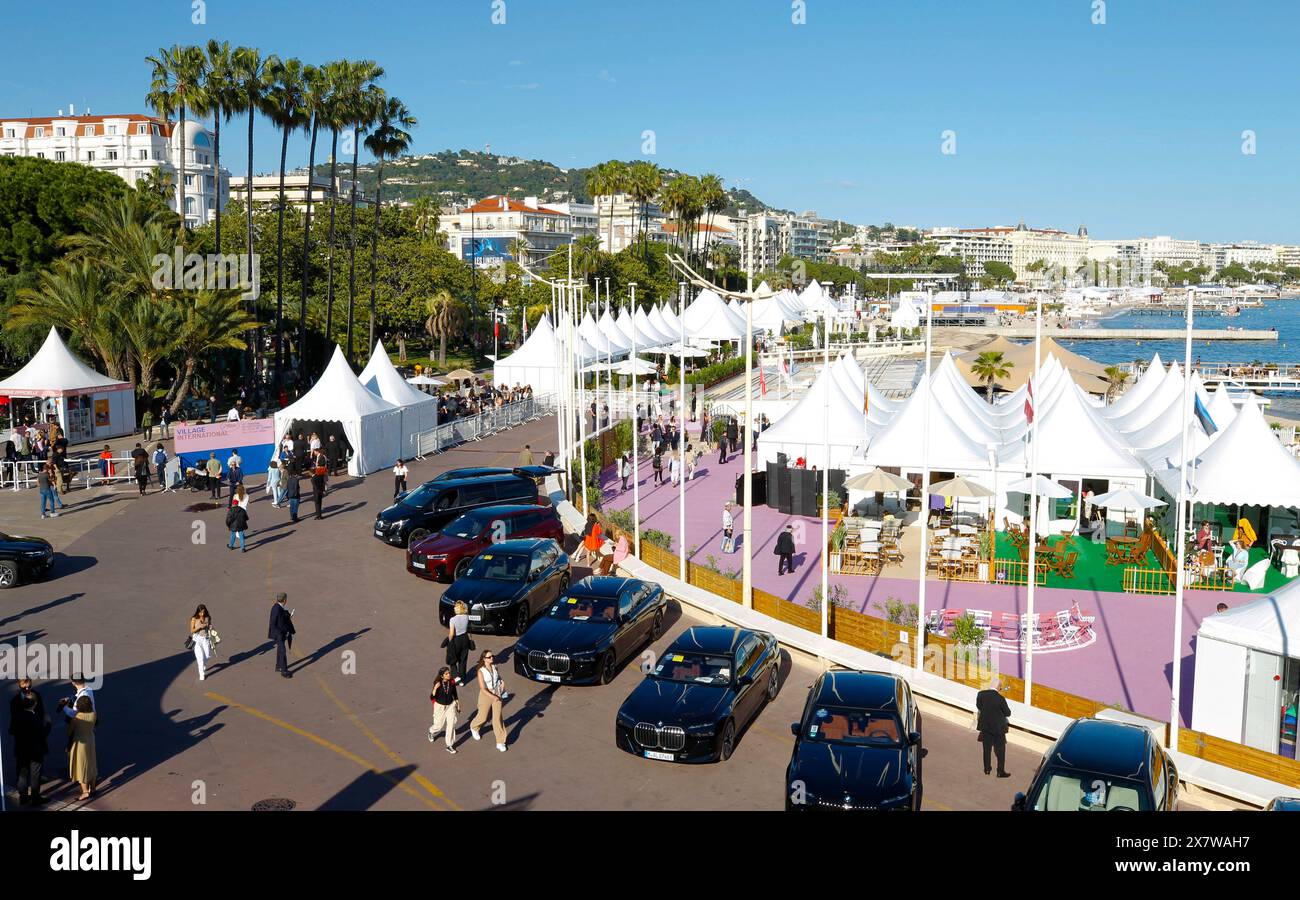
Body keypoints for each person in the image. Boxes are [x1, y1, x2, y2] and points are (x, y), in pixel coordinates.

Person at [8, 678, 49, 806]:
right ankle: (33, 797)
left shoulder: (35, 697)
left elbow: (12, 729)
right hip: (35, 746)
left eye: (29, 686)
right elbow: (44, 727)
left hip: (21, 746)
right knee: (32, 773)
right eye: (24, 687)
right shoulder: (15, 702)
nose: (27, 689)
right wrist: (48, 725)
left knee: (23, 773)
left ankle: (24, 797)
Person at [468, 650, 508, 752]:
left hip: (497, 693)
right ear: (484, 659)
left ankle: (500, 742)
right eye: (489, 657)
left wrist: (502, 684)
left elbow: (498, 678)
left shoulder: (495, 667)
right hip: (486, 694)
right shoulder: (480, 671)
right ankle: (474, 727)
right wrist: (492, 696)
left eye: (492, 656)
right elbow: (482, 688)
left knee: (497, 719)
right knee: (483, 716)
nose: (492, 658)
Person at [60, 695, 97, 801]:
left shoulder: (76, 718)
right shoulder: (94, 714)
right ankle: (93, 788)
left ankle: (85, 792)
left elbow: (69, 732)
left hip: (80, 743)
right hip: (90, 740)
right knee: (91, 763)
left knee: (81, 767)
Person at [975, 678, 1012, 778]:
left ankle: (987, 769)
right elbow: (1008, 713)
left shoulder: (981, 694)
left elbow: (979, 706)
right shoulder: (1000, 699)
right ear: (999, 687)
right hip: (998, 729)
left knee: (986, 749)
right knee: (1000, 750)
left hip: (985, 726)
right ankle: (1000, 771)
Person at [428, 667, 461, 754]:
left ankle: (449, 745)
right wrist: (435, 688)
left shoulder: (452, 682)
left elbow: (455, 694)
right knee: (439, 725)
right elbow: (432, 697)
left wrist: (458, 704)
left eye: (449, 673)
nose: (449, 675)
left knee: (451, 724)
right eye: (446, 674)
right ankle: (431, 731)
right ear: (442, 676)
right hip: (440, 707)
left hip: (450, 706)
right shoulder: (438, 684)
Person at [268, 592, 295, 678]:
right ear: (284, 600)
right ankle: (284, 671)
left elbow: (281, 618)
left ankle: (278, 666)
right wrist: (280, 633)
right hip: (279, 634)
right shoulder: (276, 609)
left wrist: (288, 616)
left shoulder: (279, 607)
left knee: (280, 650)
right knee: (283, 651)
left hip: (280, 633)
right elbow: (272, 623)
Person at [446, 601, 473, 684]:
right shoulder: (466, 617)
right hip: (465, 639)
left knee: (452, 658)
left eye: (455, 607)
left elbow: (451, 634)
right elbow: (467, 608)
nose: (454, 608)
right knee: (463, 660)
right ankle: (462, 679)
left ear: (457, 609)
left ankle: (455, 676)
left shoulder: (452, 619)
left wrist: (449, 642)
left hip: (456, 640)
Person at [190, 604, 215, 681]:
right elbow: (192, 630)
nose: (202, 614)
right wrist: (199, 627)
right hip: (197, 640)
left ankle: (203, 664)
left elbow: (210, 626)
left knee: (207, 656)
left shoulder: (207, 618)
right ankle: (202, 674)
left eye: (203, 612)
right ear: (198, 612)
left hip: (205, 639)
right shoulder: (194, 619)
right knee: (200, 658)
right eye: (200, 612)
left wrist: (210, 627)